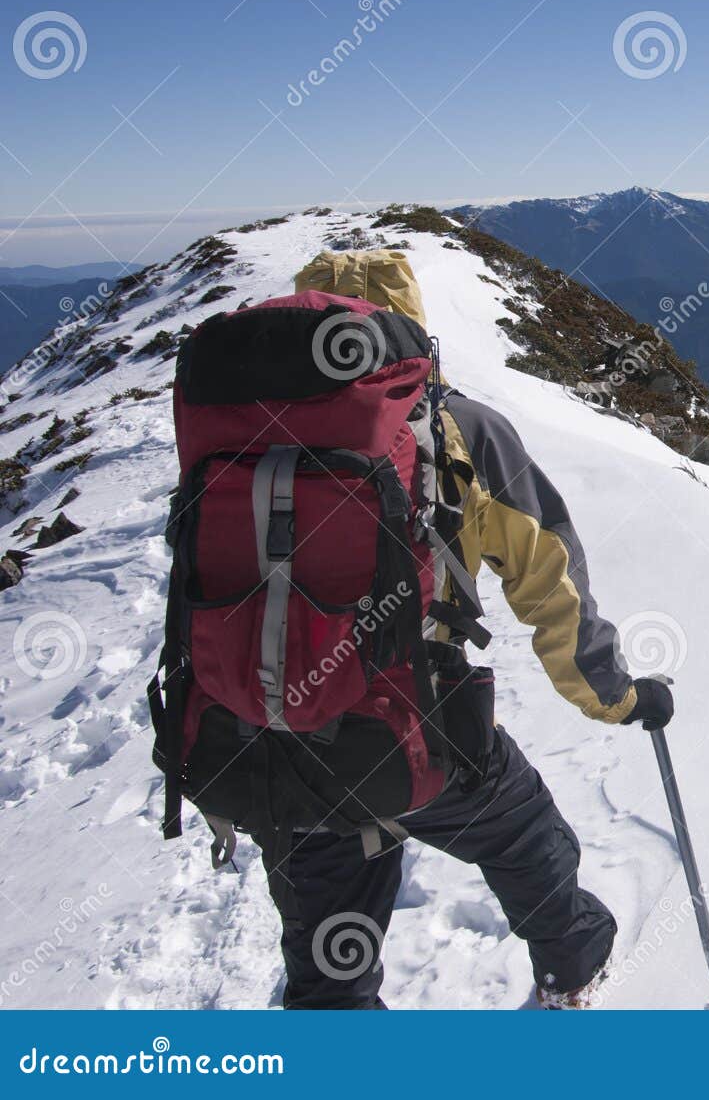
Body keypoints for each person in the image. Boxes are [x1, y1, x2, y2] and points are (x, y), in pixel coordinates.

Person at [271, 250, 675, 1008]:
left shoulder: (252, 437)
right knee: (530, 839)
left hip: (275, 729)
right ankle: (574, 970)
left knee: (329, 949)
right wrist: (619, 697)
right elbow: (551, 586)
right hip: (412, 722)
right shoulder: (460, 431)